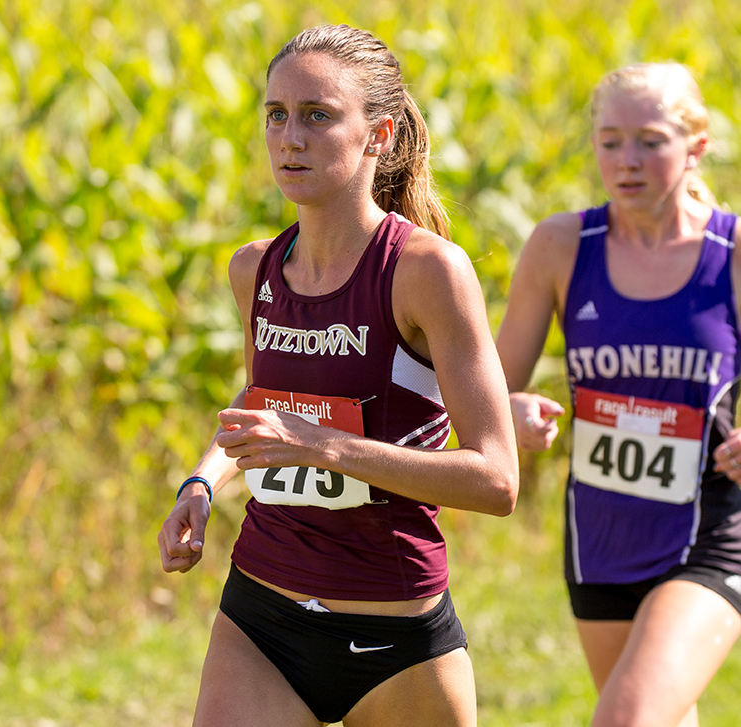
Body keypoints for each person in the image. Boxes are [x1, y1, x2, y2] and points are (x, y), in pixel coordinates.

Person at [157, 24, 519, 727]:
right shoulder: (253, 268)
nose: (291, 137)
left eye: (319, 116)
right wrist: (203, 482)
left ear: (379, 134)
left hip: (395, 637)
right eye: (277, 115)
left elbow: (498, 479)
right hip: (260, 613)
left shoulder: (427, 272)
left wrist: (323, 445)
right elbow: (264, 401)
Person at [496, 62, 741, 727]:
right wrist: (506, 411)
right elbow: (486, 385)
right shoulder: (561, 246)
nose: (627, 161)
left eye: (651, 141)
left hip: (710, 531)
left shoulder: (732, 249)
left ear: (697, 145)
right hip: (601, 533)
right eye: (610, 141)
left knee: (627, 719)